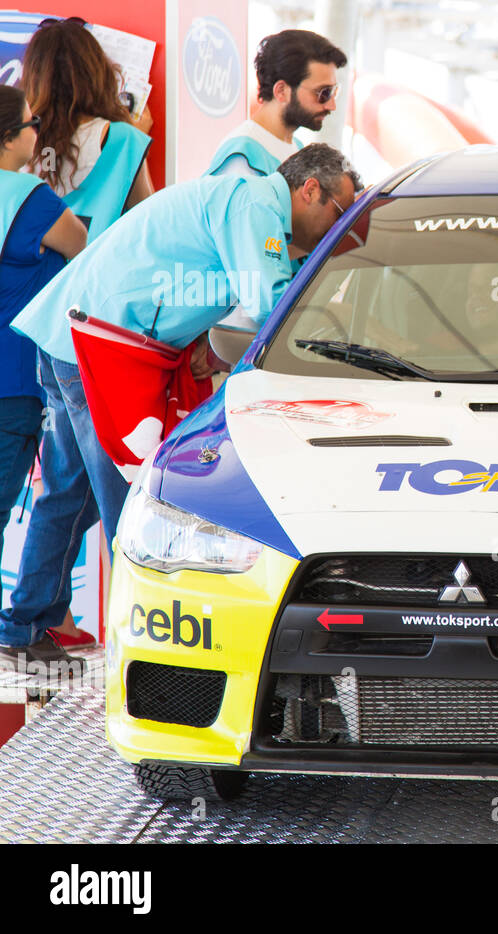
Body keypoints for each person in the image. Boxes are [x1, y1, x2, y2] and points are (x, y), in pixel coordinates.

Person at [0, 144, 360, 669]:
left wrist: (209, 350)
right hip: (95, 344)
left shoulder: (247, 204)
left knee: (71, 493)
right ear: (309, 190)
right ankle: (143, 649)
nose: (339, 225)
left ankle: (23, 626)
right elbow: (268, 303)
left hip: (73, 337)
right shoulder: (256, 202)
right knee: (133, 500)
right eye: (339, 211)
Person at [0, 87, 86, 624]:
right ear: (10, 138)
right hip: (12, 382)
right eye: (32, 124)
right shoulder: (27, 197)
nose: (39, 133)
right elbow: (82, 246)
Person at [21, 16, 154, 240]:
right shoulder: (125, 140)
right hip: (102, 271)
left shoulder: (20, 141)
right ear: (96, 72)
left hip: (38, 273)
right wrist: (135, 143)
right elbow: (151, 222)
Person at [207, 29, 348, 178]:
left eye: (333, 92)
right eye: (323, 93)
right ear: (281, 91)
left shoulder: (296, 148)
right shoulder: (241, 157)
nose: (332, 106)